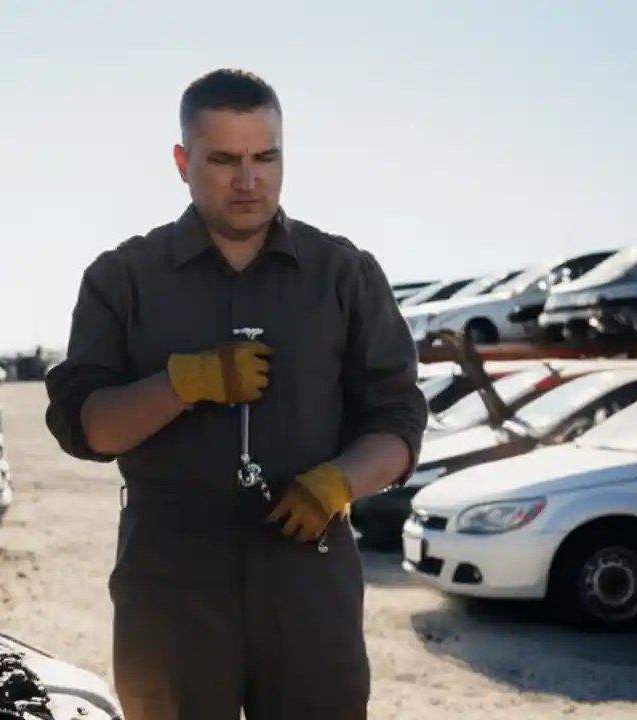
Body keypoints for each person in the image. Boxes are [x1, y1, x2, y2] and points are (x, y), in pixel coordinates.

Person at [44, 68, 427, 719]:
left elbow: (399, 421)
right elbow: (90, 429)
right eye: (223, 160)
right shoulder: (122, 279)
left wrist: (339, 481)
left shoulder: (344, 275)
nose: (248, 181)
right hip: (170, 597)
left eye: (265, 158)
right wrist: (181, 384)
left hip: (310, 593)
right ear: (181, 161)